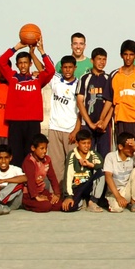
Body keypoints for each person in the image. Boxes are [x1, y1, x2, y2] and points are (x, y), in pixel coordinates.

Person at [0, 39, 55, 167]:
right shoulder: (12, 78)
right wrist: (16, 47)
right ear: (17, 65)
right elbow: (1, 61)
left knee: (32, 155)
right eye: (20, 63)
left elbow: (50, 70)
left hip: (32, 122)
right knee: (16, 155)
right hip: (16, 122)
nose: (23, 66)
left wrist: (41, 51)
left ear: (30, 64)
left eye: (25, 63)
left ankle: (30, 184)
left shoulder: (37, 80)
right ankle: (18, 184)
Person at [47, 55, 82, 191]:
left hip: (70, 131)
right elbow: (44, 68)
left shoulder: (78, 84)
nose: (67, 70)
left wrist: (76, 130)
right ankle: (57, 194)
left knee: (74, 165)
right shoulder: (56, 80)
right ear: (61, 68)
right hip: (54, 128)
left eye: (70, 67)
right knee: (56, 166)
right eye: (65, 67)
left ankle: (75, 195)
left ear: (75, 68)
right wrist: (37, 52)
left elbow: (80, 111)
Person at [76, 47, 113, 157]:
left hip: (104, 127)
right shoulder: (85, 78)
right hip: (87, 125)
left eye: (104, 59)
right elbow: (80, 102)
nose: (102, 62)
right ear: (92, 60)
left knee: (104, 158)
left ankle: (102, 175)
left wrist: (104, 123)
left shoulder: (109, 79)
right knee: (87, 156)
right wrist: (91, 124)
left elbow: (112, 103)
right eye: (99, 59)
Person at [61, 129, 106, 213]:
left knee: (100, 173)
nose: (86, 146)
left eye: (88, 143)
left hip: (88, 185)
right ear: (77, 143)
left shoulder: (93, 154)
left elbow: (101, 165)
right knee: (69, 208)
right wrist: (68, 196)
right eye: (83, 143)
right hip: (77, 186)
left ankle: (93, 201)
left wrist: (90, 165)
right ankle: (82, 201)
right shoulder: (72, 155)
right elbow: (68, 175)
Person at [103, 131, 135, 213]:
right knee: (117, 209)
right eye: (129, 147)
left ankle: (134, 202)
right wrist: (118, 197)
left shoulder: (133, 156)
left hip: (127, 190)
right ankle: (123, 202)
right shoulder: (110, 157)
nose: (131, 149)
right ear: (120, 147)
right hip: (115, 192)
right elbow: (108, 177)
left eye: (133, 147)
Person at [22, 134, 63, 213]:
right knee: (46, 205)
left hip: (42, 191)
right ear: (33, 148)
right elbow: (30, 181)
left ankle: (44, 204)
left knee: (59, 204)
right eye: (42, 148)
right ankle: (28, 205)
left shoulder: (47, 159)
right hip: (29, 194)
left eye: (46, 148)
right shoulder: (29, 161)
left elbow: (52, 177)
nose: (44, 151)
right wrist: (36, 196)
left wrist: (57, 194)